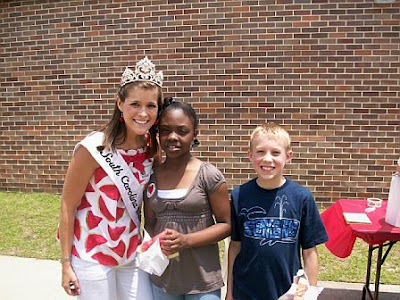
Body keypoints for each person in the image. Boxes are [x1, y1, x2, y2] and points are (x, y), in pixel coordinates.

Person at [58, 56, 163, 300]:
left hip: (132, 251)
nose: (143, 113)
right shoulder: (94, 148)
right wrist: (65, 264)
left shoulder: (152, 147)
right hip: (91, 252)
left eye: (151, 106)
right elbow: (68, 204)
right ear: (119, 103)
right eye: (135, 104)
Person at [226, 122, 328, 300]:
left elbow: (309, 251)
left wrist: (310, 293)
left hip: (287, 291)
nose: (267, 159)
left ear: (288, 156)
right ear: (250, 155)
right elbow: (235, 246)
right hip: (246, 292)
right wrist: (230, 292)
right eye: (260, 151)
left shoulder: (302, 197)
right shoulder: (239, 195)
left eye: (275, 152)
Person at [144, 98, 231, 299]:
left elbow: (227, 224)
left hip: (202, 281)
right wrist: (150, 253)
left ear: (194, 134)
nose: (173, 137)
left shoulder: (208, 175)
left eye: (182, 131)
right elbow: (149, 224)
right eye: (165, 130)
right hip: (163, 279)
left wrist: (186, 240)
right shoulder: (151, 176)